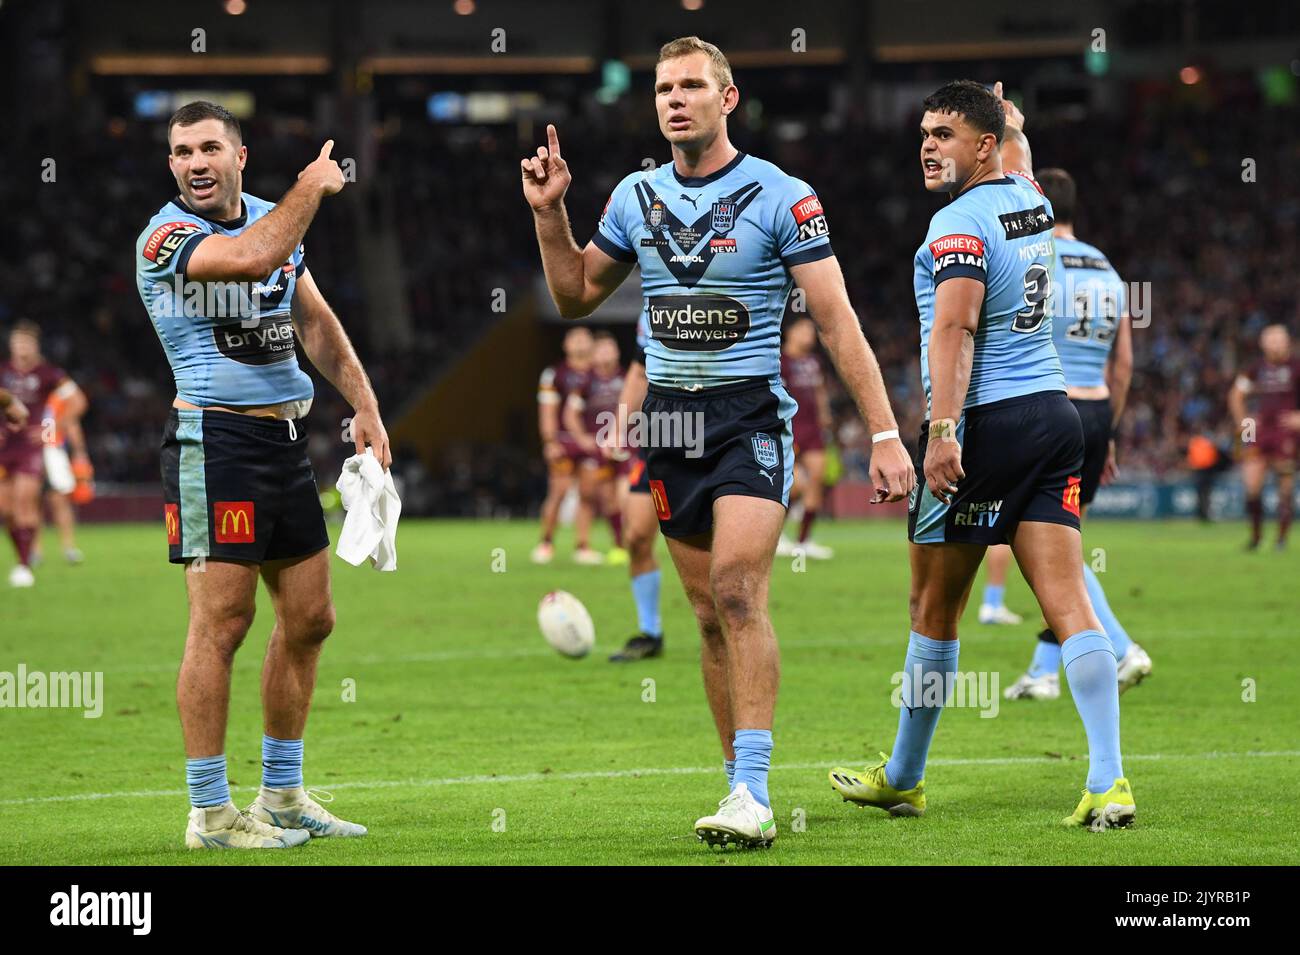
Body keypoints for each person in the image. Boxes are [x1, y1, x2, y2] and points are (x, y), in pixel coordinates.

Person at [522, 36, 913, 849]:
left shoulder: (783, 196)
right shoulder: (633, 195)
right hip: (669, 421)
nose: (675, 99)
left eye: (692, 85)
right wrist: (550, 211)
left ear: (727, 99)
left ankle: (755, 789)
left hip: (747, 419)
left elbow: (836, 322)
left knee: (738, 591)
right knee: (704, 616)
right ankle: (737, 785)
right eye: (665, 87)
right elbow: (573, 295)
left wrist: (883, 431)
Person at [829, 81, 1135, 830]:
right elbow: (1022, 152)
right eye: (924, 133)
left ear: (984, 147)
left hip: (984, 426)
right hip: (1055, 416)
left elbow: (956, 331)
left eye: (946, 134)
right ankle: (1108, 779)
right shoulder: (1029, 196)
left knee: (933, 610)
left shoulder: (957, 225)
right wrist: (1012, 121)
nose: (929, 146)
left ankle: (903, 776)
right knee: (1068, 604)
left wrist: (939, 433)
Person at [137, 100, 389, 849]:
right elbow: (249, 258)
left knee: (311, 617)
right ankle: (210, 812)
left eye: (210, 147)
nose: (196, 162)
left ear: (239, 156)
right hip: (212, 443)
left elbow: (312, 320)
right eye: (182, 152)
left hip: (284, 445)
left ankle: (281, 794)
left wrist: (365, 404)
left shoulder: (274, 223)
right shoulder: (167, 236)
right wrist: (314, 186)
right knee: (223, 623)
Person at [1003, 165, 1150, 699]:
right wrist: (1109, 431)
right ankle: (1044, 672)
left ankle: (1122, 646)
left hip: (1050, 411)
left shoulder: (1034, 257)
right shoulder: (1107, 269)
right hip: (1096, 410)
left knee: (1043, 546)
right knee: (1057, 541)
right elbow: (1125, 363)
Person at [0, 320, 77, 587]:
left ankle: (24, 564)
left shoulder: (48, 374)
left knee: (25, 501)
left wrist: (51, 427)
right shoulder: (3, 372)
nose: (22, 347)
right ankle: (23, 555)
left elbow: (77, 401)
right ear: (10, 344)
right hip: (4, 446)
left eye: (27, 342)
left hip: (31, 448)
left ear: (35, 346)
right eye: (17, 341)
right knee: (5, 508)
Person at [607, 313, 666, 662]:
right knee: (637, 537)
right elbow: (639, 370)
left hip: (715, 435)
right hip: (661, 438)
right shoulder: (652, 310)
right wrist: (618, 426)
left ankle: (724, 627)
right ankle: (650, 632)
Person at [1228, 324, 1300, 550]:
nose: (1276, 344)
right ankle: (1256, 537)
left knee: (1285, 486)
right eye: (1272, 340)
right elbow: (1236, 395)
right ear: (1263, 343)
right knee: (1251, 484)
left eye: (1280, 340)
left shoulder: (1296, 367)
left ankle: (1281, 539)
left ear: (1288, 342)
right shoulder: (1255, 368)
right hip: (1256, 432)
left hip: (1286, 431)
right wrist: (1244, 423)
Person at [533, 326, 597, 563]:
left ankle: (582, 546)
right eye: (575, 339)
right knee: (558, 492)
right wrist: (550, 441)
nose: (580, 343)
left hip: (591, 442)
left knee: (588, 494)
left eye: (584, 338)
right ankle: (546, 542)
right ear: (566, 345)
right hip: (563, 441)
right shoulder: (555, 374)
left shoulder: (598, 374)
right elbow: (547, 410)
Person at [563, 331, 626, 564]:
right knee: (598, 497)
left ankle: (629, 541)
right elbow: (570, 414)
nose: (606, 353)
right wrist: (582, 438)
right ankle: (612, 545)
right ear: (594, 354)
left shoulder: (628, 377)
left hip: (626, 446)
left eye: (610, 348)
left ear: (617, 352)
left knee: (625, 496)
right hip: (597, 450)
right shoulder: (585, 382)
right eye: (601, 349)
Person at [776, 316, 835, 559]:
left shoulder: (813, 361)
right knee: (796, 486)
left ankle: (803, 541)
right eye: (804, 330)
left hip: (813, 429)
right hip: (790, 428)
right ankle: (776, 536)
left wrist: (825, 415)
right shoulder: (780, 360)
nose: (809, 335)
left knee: (817, 480)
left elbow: (820, 390)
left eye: (812, 331)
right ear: (790, 332)